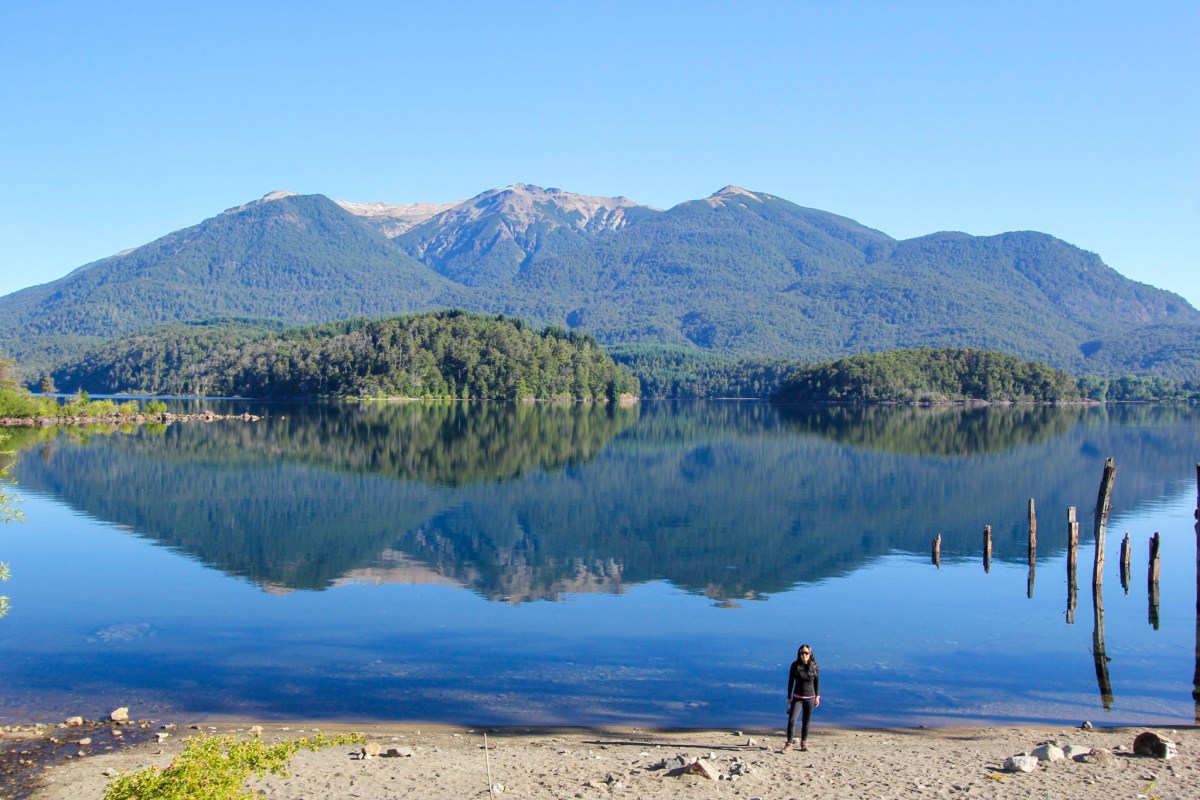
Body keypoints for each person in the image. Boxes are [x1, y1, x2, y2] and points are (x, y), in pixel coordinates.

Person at [782, 644, 820, 752]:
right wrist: (789, 697)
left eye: (806, 653)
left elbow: (817, 682)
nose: (804, 655)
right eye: (802, 652)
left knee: (806, 721)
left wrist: (817, 696)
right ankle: (789, 744)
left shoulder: (815, 666)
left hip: (810, 697)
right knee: (792, 720)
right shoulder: (795, 666)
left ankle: (804, 742)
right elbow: (790, 682)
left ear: (810, 654)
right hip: (797, 697)